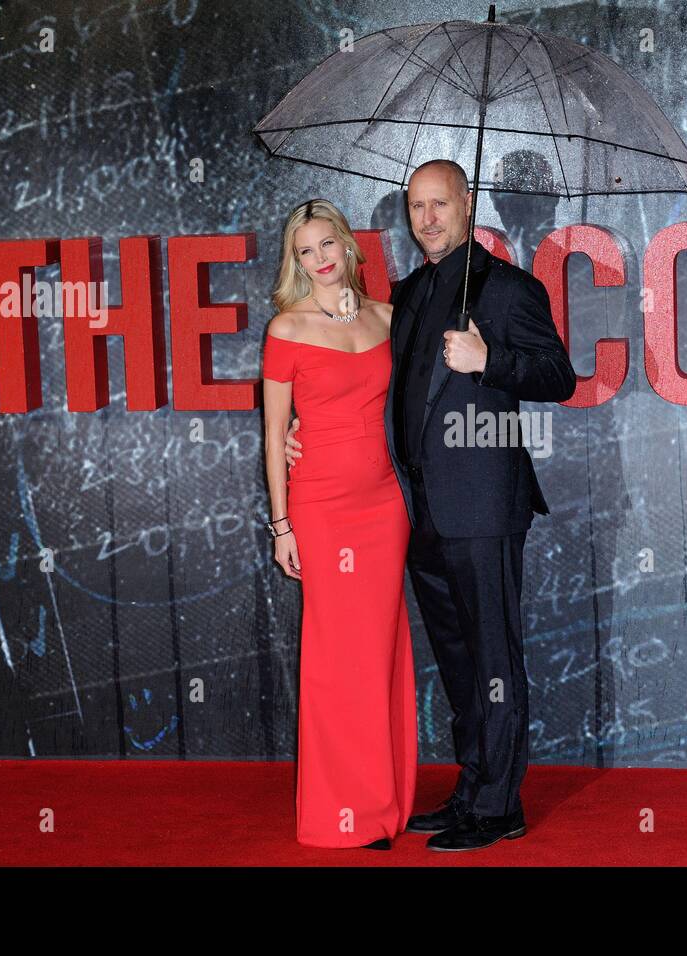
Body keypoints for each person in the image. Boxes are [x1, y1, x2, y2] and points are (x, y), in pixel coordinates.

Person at [286, 160, 576, 851]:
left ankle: (501, 804)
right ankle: (472, 787)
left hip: (483, 509)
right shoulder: (409, 293)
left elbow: (559, 377)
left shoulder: (509, 292)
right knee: (456, 661)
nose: (428, 219)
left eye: (440, 204)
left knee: (494, 661)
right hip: (414, 514)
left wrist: (489, 361)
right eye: (417, 207)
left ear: (467, 205)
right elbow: (372, 385)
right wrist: (306, 430)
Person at [260, 198, 416, 850]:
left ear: (349, 248)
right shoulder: (286, 329)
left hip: (386, 508)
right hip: (321, 512)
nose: (320, 259)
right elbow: (273, 436)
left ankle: (382, 804)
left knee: (379, 654)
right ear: (295, 262)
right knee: (334, 660)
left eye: (327, 245)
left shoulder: (387, 318)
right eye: (306, 251)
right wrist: (281, 525)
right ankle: (339, 810)